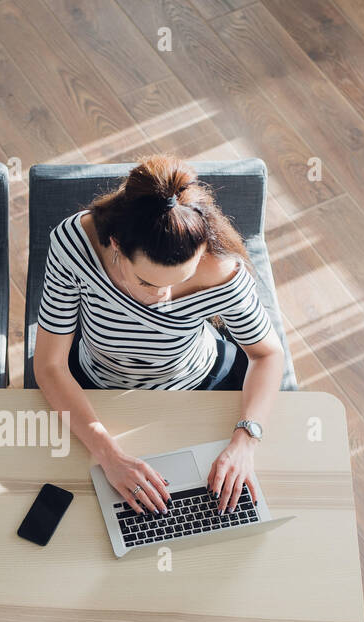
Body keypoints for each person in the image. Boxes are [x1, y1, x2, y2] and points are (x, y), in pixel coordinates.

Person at [33, 155, 284, 516]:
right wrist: (107, 453)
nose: (163, 297)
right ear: (116, 244)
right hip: (94, 385)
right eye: (148, 282)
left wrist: (246, 439)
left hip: (198, 388)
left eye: (182, 278)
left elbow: (267, 355)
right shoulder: (74, 244)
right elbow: (49, 365)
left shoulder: (221, 269)